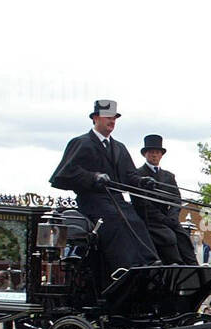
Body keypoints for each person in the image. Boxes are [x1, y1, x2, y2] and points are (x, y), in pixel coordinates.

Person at [49, 99, 159, 274]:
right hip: (92, 201)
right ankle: (123, 269)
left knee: (136, 220)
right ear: (95, 118)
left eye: (114, 118)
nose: (112, 121)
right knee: (116, 220)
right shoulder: (81, 143)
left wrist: (142, 181)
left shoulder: (119, 148)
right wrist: (93, 177)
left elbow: (130, 176)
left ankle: (150, 264)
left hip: (116, 201)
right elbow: (64, 174)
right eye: (108, 117)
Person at [132, 134, 198, 265]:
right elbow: (141, 203)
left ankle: (193, 267)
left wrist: (172, 217)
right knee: (168, 237)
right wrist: (163, 219)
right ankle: (175, 265)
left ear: (161, 155)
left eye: (157, 152)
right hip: (150, 220)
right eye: (151, 152)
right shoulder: (138, 175)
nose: (154, 155)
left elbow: (176, 199)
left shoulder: (169, 176)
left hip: (169, 219)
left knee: (183, 237)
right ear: (145, 154)